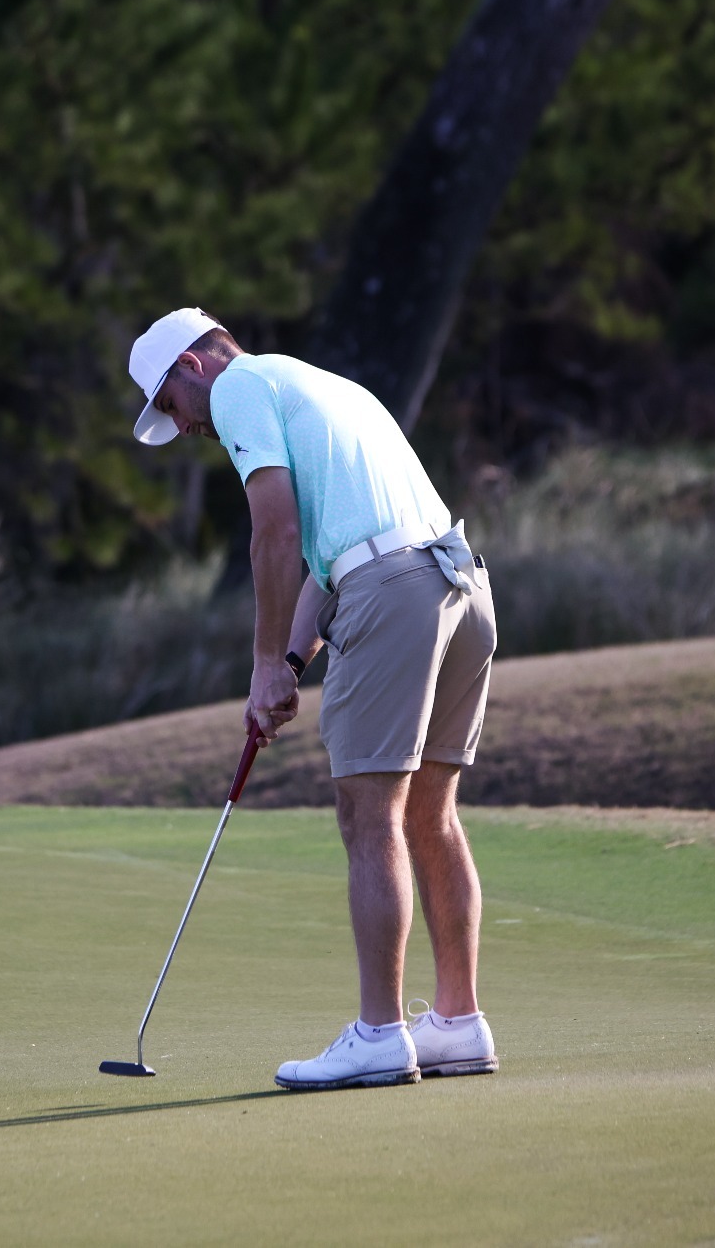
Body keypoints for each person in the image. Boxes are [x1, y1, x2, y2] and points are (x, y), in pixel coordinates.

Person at [126, 306, 500, 1090]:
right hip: (460, 585)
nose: (182, 424)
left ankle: (378, 1034)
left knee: (370, 814)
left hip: (395, 589)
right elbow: (334, 561)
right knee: (430, 810)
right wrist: (291, 661)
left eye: (169, 404)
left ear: (192, 366)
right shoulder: (320, 385)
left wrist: (262, 661)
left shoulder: (238, 390)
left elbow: (275, 532)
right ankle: (460, 1024)